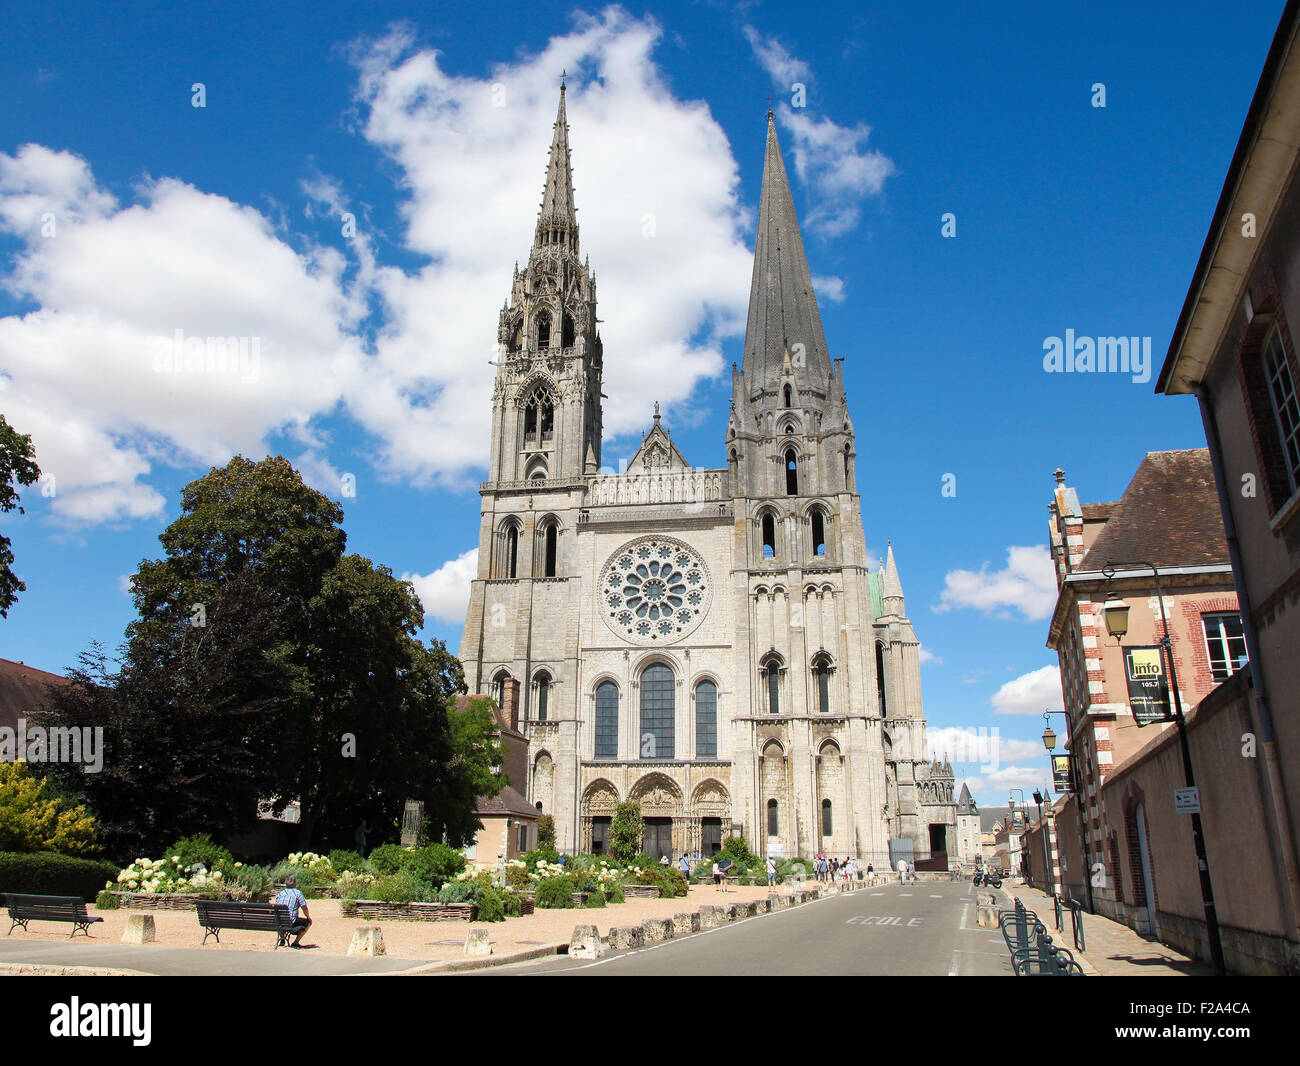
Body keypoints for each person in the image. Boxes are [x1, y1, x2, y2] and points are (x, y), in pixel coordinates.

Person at [274, 874, 311, 948]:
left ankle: (282, 939)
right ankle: (296, 942)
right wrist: (308, 917)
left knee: (281, 917)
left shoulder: (280, 893)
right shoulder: (297, 893)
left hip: (279, 921)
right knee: (308, 922)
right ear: (295, 884)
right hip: (291, 921)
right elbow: (304, 908)